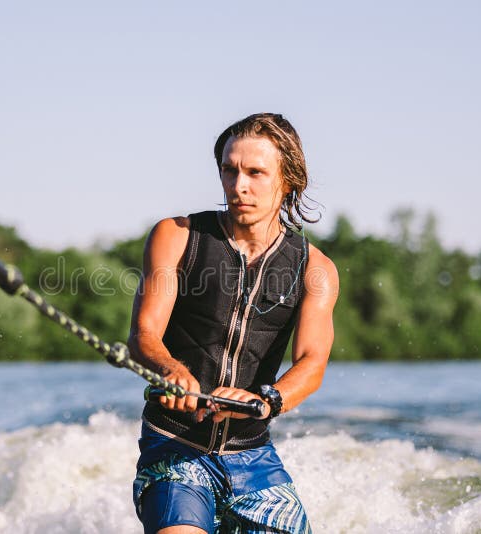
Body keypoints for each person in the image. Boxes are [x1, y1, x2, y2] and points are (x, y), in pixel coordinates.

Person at [128, 113, 338, 534]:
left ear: (289, 179)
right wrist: (172, 370)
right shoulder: (178, 235)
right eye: (229, 170)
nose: (238, 185)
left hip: (253, 457)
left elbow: (312, 362)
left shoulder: (315, 268)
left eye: (255, 172)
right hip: (175, 447)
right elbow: (144, 335)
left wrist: (268, 400)